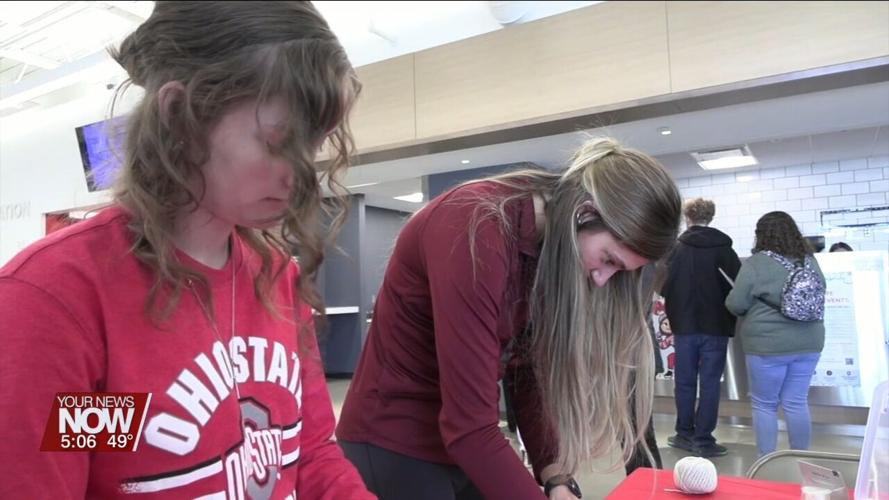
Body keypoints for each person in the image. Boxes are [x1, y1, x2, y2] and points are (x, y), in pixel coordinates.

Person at [0, 2, 376, 499]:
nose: (299, 174)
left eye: (315, 144)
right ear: (181, 116)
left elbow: (309, 454)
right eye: (277, 141)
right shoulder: (63, 298)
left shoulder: (276, 275)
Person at [336, 137, 683, 500]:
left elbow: (524, 368)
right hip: (393, 441)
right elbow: (469, 427)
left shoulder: (549, 248)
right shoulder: (475, 226)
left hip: (460, 446)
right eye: (609, 259)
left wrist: (556, 477)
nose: (601, 279)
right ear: (585, 212)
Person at [725, 211, 826, 458]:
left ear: (761, 235)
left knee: (764, 404)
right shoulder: (809, 260)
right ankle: (802, 457)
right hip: (809, 342)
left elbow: (736, 304)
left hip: (767, 345)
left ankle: (767, 459)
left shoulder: (757, 263)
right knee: (796, 401)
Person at [660, 198, 741, 457]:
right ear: (712, 217)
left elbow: (661, 285)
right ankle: (704, 440)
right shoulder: (724, 249)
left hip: (683, 326)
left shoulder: (675, 250)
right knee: (709, 383)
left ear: (687, 217)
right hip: (715, 326)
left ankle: (683, 434)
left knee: (684, 382)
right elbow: (738, 286)